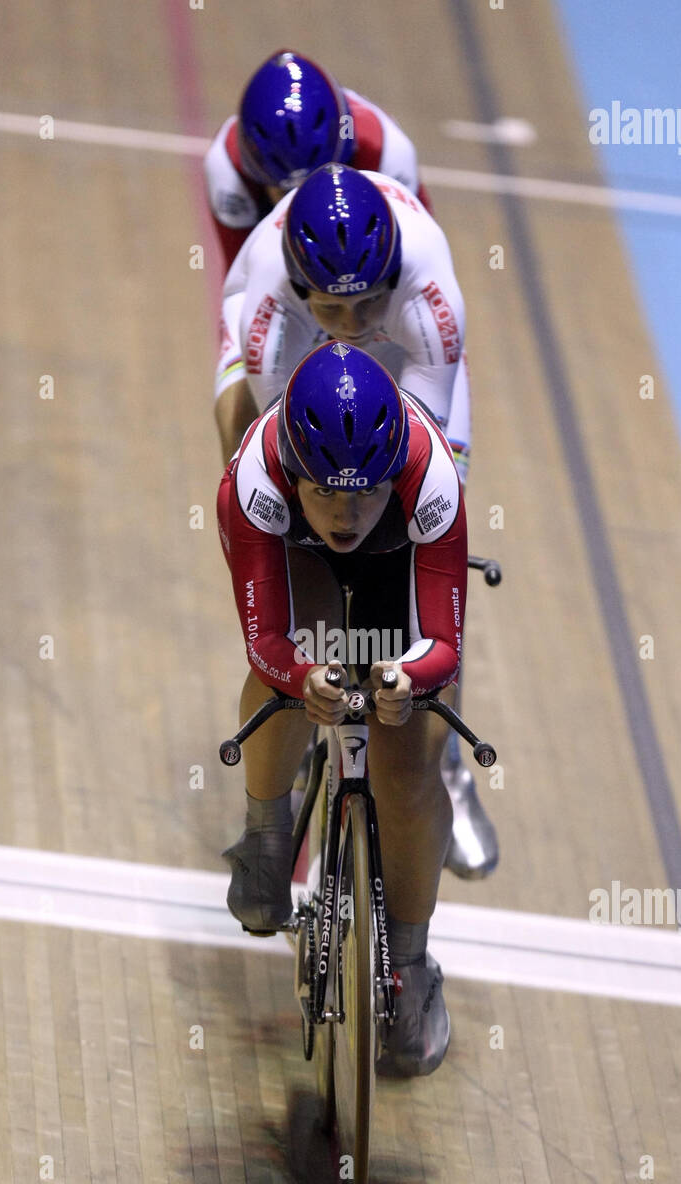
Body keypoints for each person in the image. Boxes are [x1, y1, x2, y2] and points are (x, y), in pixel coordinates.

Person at [215, 161, 497, 876]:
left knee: (427, 520)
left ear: (392, 278)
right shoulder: (270, 310)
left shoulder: (430, 293)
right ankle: (270, 821)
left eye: (365, 304)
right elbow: (291, 446)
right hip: (293, 376)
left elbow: (422, 443)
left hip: (409, 381)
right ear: (300, 284)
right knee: (256, 464)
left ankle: (447, 764)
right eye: (332, 309)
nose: (348, 327)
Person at [216, 341, 469, 1076]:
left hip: (400, 571)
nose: (346, 511)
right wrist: (299, 676)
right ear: (295, 473)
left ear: (395, 473)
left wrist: (407, 676)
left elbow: (444, 643)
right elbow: (264, 638)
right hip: (296, 561)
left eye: (365, 491)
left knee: (409, 769)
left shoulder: (432, 482)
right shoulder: (255, 480)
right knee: (300, 663)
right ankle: (266, 838)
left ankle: (413, 965)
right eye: (325, 490)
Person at [205, 49, 432, 271]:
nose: (305, 200)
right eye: (285, 193)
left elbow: (424, 260)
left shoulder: (384, 151)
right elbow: (239, 279)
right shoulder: (228, 168)